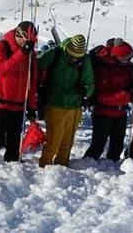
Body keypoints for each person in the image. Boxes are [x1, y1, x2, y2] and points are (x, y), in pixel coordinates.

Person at [0, 21, 40, 162]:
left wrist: (32, 108)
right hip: (0, 104)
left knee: (14, 147)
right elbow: (2, 70)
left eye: (33, 41)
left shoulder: (30, 55)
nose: (31, 44)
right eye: (29, 40)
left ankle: (12, 176)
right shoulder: (0, 48)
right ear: (20, 35)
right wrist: (23, 52)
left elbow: (31, 83)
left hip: (19, 107)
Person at [36, 35, 94, 167]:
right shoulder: (56, 53)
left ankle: (62, 166)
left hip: (75, 107)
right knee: (53, 140)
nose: (74, 59)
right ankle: (44, 165)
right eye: (72, 56)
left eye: (77, 58)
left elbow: (90, 84)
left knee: (67, 142)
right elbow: (37, 62)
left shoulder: (85, 61)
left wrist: (85, 90)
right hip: (55, 104)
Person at [83, 38, 133, 160]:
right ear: (118, 56)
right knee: (98, 145)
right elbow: (101, 96)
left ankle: (113, 167)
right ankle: (87, 166)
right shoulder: (103, 67)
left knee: (117, 146)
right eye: (126, 57)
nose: (129, 60)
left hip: (121, 112)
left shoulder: (125, 66)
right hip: (103, 112)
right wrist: (126, 93)